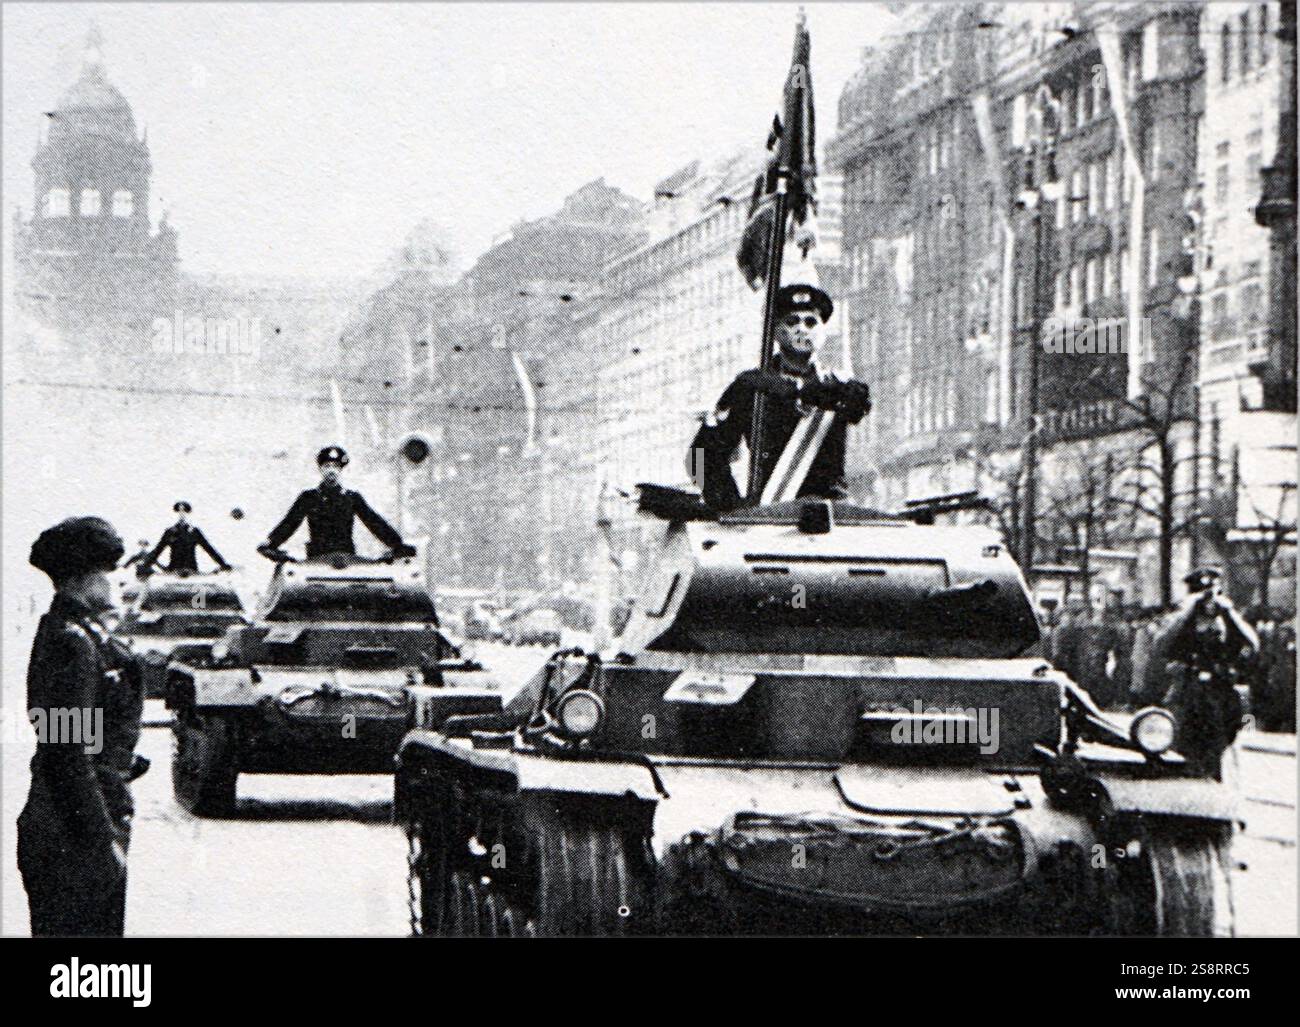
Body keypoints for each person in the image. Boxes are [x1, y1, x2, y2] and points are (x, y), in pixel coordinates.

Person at [18, 516, 147, 936]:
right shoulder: (70, 642)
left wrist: (121, 759)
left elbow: (84, 732)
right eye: (109, 573)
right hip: (71, 834)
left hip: (79, 823)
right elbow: (63, 751)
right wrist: (101, 841)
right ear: (81, 580)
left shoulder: (83, 636)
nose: (117, 583)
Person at [688, 283, 872, 511]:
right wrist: (733, 508)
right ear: (774, 330)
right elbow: (699, 458)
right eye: (792, 321)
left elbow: (857, 407)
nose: (802, 329)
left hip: (831, 516)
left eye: (810, 322)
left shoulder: (839, 387)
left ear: (822, 331)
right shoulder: (752, 387)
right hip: (771, 514)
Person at [1151, 567, 1259, 778]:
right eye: (1204, 593)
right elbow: (1160, 646)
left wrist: (1230, 613)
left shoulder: (1227, 618)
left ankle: (1216, 780)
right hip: (1187, 688)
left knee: (1221, 742)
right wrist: (1188, 611)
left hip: (1220, 689)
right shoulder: (1181, 620)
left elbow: (1252, 644)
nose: (1210, 601)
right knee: (1180, 738)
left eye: (1214, 592)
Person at [260, 445, 416, 561]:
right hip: (316, 560)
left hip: (347, 559)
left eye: (335, 467)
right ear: (320, 469)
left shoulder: (351, 498)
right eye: (327, 466)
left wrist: (397, 544)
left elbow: (374, 521)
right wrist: (271, 544)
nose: (331, 471)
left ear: (341, 470)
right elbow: (290, 523)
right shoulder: (309, 497)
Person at [143, 502, 231, 575]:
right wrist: (145, 566)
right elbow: (158, 550)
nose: (182, 514)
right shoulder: (170, 532)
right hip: (174, 571)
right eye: (179, 511)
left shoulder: (194, 532)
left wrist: (223, 564)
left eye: (184, 511)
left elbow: (209, 549)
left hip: (191, 571)